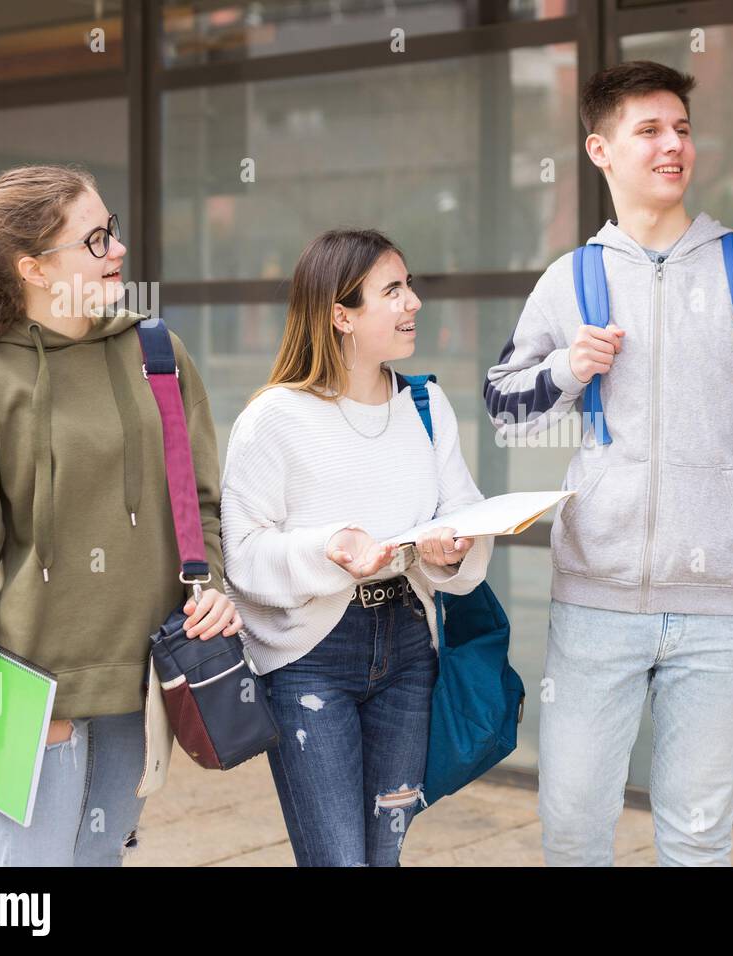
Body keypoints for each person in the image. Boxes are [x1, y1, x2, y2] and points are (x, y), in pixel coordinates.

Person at [483, 60, 733, 866]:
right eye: (650, 131)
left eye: (682, 129)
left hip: (722, 604)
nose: (673, 145)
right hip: (598, 598)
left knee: (699, 836)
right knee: (572, 826)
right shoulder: (572, 279)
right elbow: (504, 406)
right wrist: (569, 368)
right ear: (601, 150)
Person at [0, 164, 239, 866]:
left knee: (100, 863)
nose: (118, 251)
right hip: (34, 695)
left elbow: (201, 504)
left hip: (138, 679)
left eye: (113, 231)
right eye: (95, 240)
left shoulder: (159, 356)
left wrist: (210, 584)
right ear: (33, 267)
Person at [221, 228, 494, 867]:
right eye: (391, 291)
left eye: (409, 286)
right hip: (310, 658)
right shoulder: (273, 419)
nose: (413, 303)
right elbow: (243, 555)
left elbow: (463, 520)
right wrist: (330, 551)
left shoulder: (426, 406)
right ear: (341, 314)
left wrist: (450, 552)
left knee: (384, 857)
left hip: (407, 647)